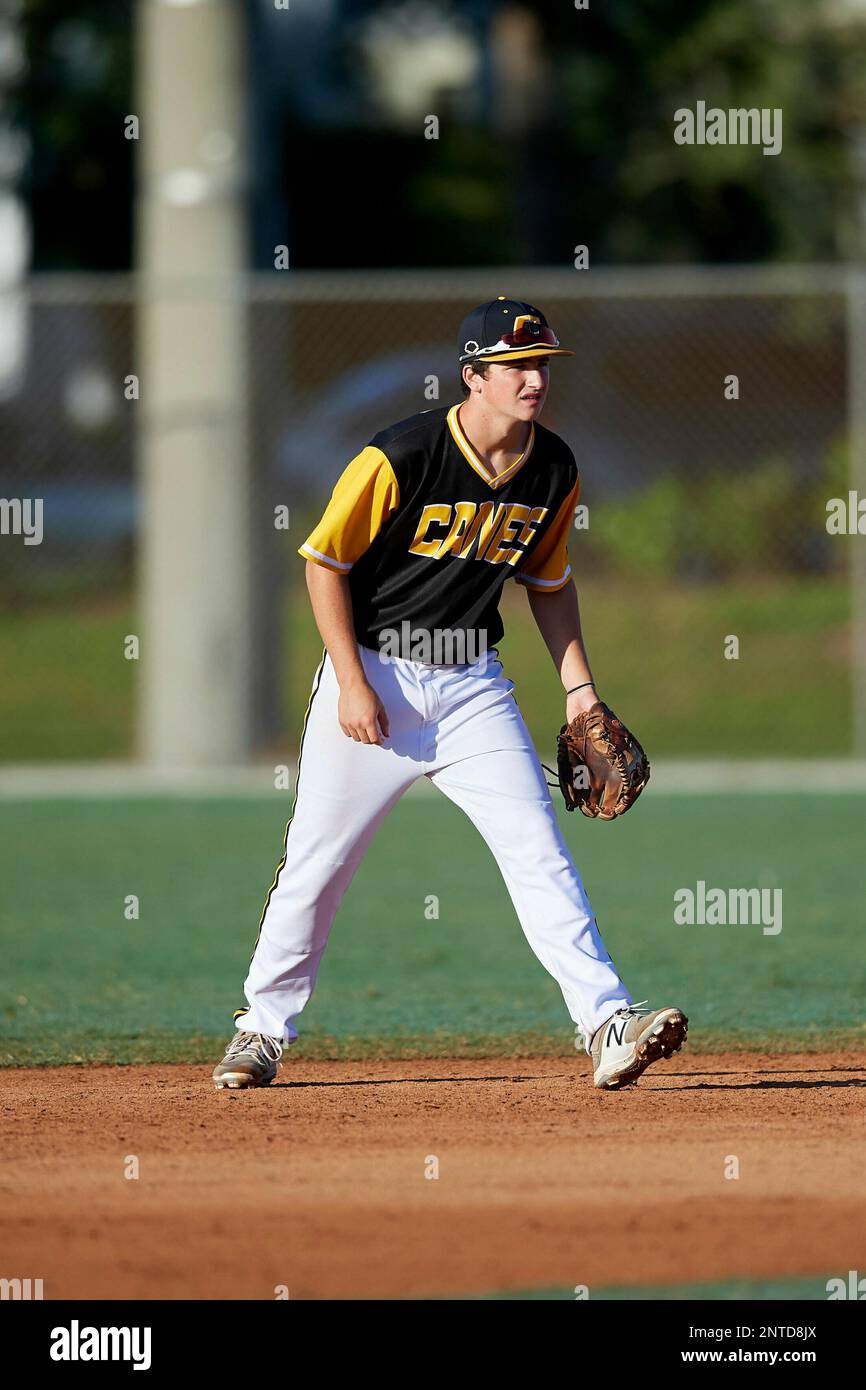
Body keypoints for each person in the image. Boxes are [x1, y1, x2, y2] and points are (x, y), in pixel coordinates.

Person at [212, 296, 687, 1092]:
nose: (534, 379)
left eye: (542, 365)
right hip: (377, 675)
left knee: (539, 852)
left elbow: (549, 582)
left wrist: (579, 690)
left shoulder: (554, 468)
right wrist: (353, 684)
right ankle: (261, 1030)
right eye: (516, 366)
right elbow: (324, 564)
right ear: (473, 375)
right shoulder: (399, 455)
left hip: (472, 687)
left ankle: (607, 1021)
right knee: (317, 867)